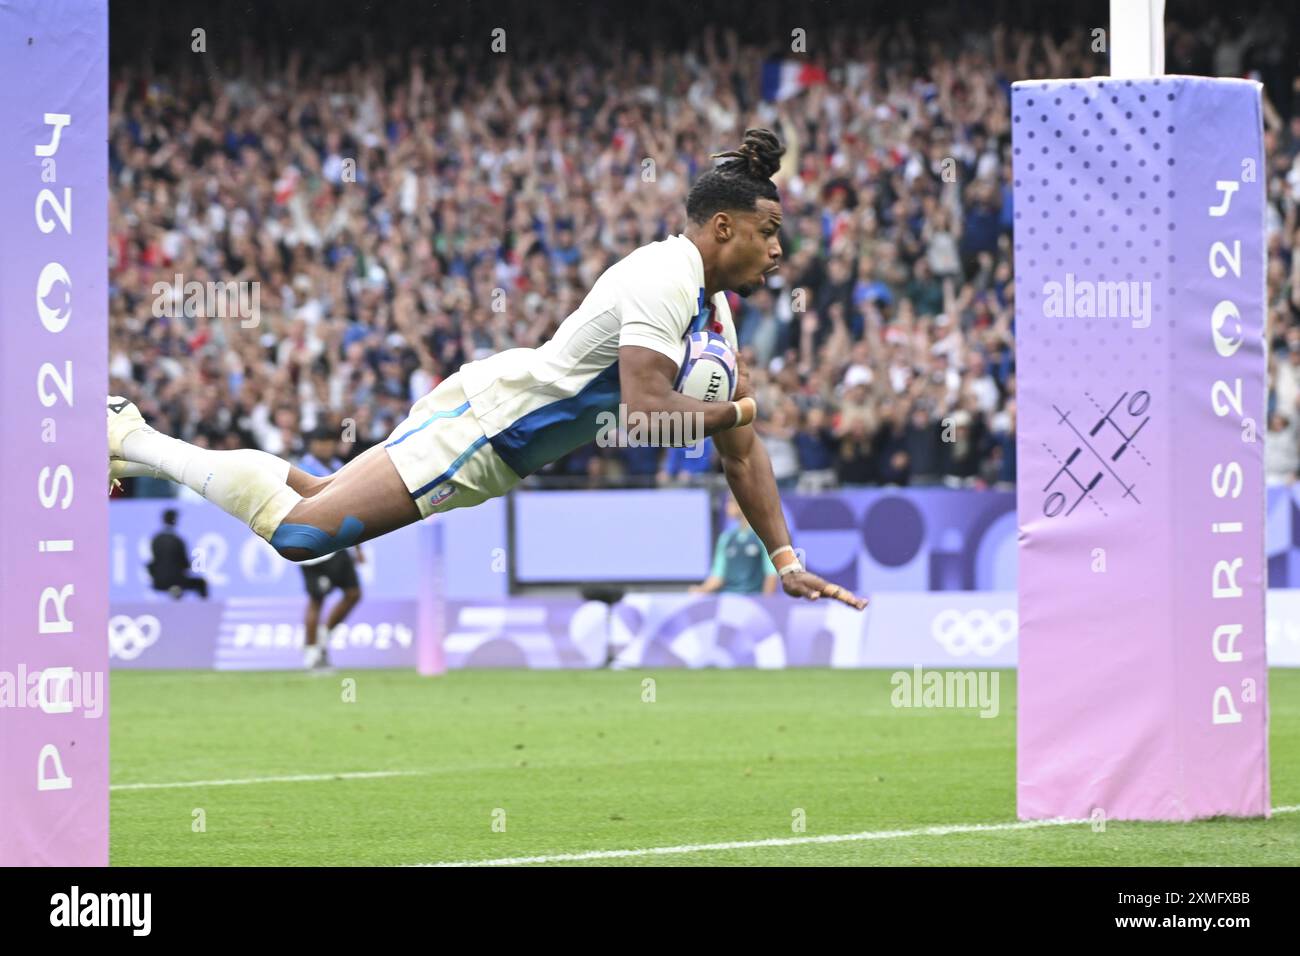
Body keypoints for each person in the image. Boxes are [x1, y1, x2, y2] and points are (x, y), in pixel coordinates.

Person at [107, 129, 867, 610]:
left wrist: (785, 557)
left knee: (311, 490)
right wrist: (738, 409)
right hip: (491, 430)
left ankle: (128, 437)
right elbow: (644, 412)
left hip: (491, 404)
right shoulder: (664, 275)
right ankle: (131, 435)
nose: (778, 252)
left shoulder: (713, 309)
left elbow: (741, 454)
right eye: (768, 233)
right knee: (304, 534)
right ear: (723, 226)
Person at [296, 426, 365, 669]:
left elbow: (351, 506)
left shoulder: (338, 466)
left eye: (329, 442)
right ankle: (311, 652)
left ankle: (323, 636)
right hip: (313, 546)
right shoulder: (302, 469)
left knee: (354, 593)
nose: (325, 447)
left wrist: (357, 546)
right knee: (317, 599)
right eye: (320, 442)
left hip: (338, 542)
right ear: (311, 445)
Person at [690, 495, 778, 595]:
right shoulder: (726, 538)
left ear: (743, 505)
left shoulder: (762, 537)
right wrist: (700, 590)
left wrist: (765, 604)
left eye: (730, 502)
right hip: (728, 600)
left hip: (753, 600)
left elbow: (771, 575)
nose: (726, 506)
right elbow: (717, 576)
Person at [146, 508, 209, 600]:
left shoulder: (156, 539)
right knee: (201, 583)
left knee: (177, 587)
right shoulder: (177, 540)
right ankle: (206, 611)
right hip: (177, 579)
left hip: (159, 581)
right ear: (174, 520)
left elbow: (153, 561)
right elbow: (184, 563)